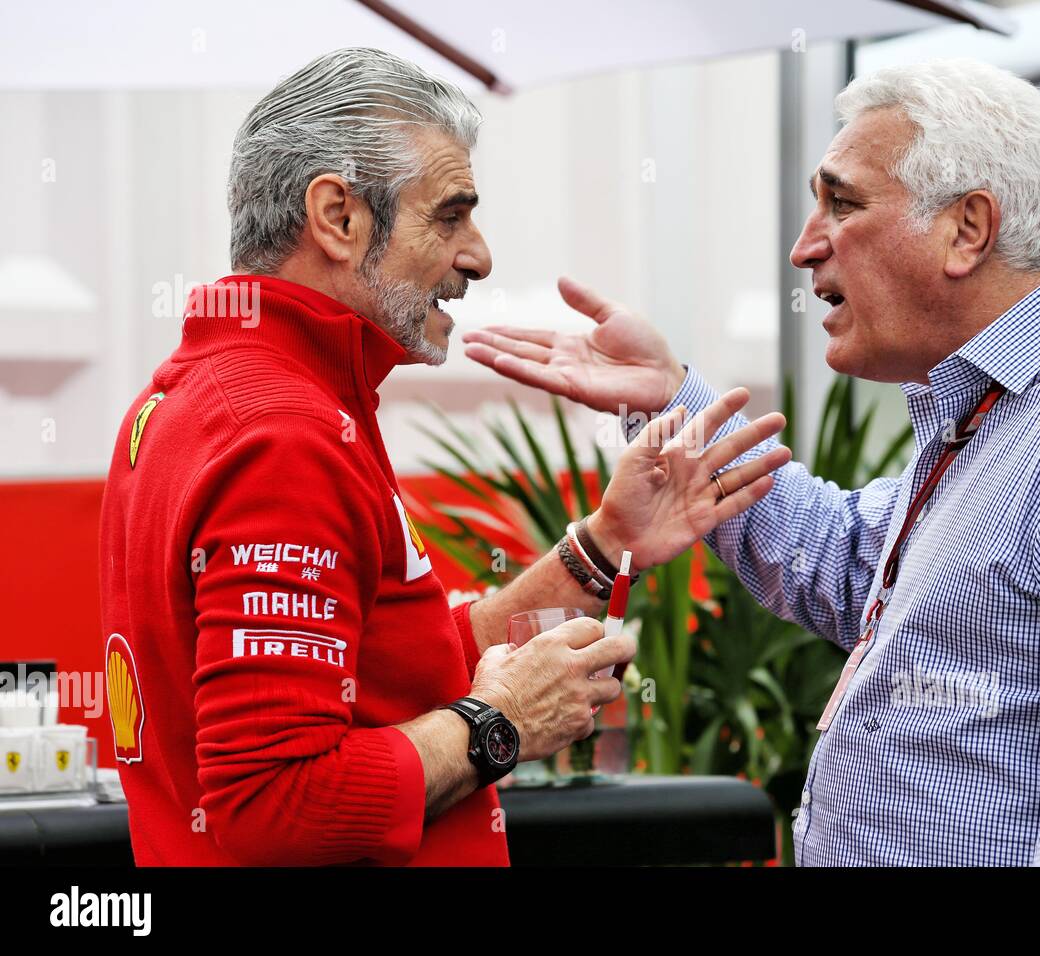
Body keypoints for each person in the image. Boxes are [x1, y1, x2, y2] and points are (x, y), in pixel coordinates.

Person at [462, 59, 1040, 865]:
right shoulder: (1015, 402)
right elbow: (851, 567)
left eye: (841, 204)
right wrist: (672, 398)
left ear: (968, 229)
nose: (804, 249)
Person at [97, 48, 788, 866]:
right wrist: (500, 726)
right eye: (450, 215)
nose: (479, 255)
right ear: (339, 218)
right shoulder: (282, 434)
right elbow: (273, 801)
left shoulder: (210, 396)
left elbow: (396, 677)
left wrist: (602, 547)